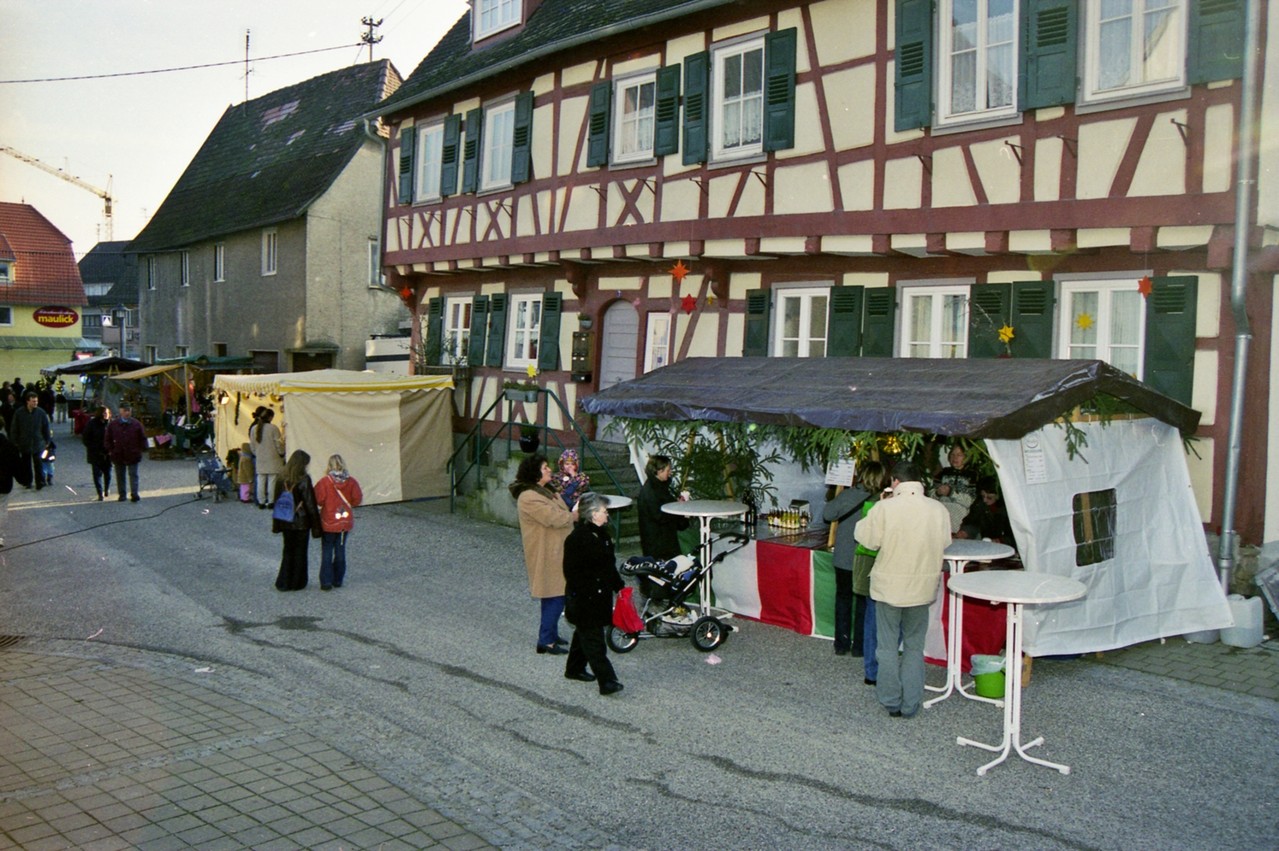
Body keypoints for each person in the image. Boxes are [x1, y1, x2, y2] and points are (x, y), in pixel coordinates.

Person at [854, 460, 952, 719]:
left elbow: (867, 540)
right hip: (922, 588)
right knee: (913, 647)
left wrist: (878, 506)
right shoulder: (938, 509)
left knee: (886, 647)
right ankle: (911, 704)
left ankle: (890, 700)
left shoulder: (884, 508)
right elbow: (945, 542)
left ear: (894, 481)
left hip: (889, 587)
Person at [509, 452, 576, 655]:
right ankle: (545, 641)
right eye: (545, 467)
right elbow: (553, 518)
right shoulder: (529, 497)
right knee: (555, 596)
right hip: (547, 553)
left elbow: (561, 509)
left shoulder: (546, 490)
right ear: (535, 472)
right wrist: (575, 516)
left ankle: (551, 635)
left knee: (554, 595)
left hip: (556, 550)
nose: (549, 470)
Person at [562, 492, 626, 696]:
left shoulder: (602, 535)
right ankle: (607, 681)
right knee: (594, 640)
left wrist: (619, 586)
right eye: (604, 511)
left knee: (584, 634)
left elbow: (608, 565)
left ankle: (574, 668)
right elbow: (571, 572)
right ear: (592, 514)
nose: (607, 515)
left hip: (598, 596)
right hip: (585, 598)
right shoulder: (577, 539)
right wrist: (588, 593)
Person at [821, 475, 871, 657]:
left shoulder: (848, 495)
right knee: (864, 602)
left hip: (844, 556)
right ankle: (860, 645)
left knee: (843, 598)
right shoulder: (883, 499)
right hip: (867, 557)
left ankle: (841, 643)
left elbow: (828, 514)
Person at [851, 462, 890, 686]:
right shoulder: (880, 504)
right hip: (881, 566)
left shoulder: (875, 504)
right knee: (878, 619)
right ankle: (876, 668)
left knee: (872, 618)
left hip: (869, 565)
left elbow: (864, 538)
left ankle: (872, 670)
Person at [313, 454, 364, 591]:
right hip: (344, 522)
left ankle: (326, 582)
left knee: (327, 551)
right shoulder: (352, 482)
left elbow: (318, 500)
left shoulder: (324, 482)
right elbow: (357, 499)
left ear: (329, 466)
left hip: (328, 521)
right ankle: (338, 580)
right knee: (340, 550)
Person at [272, 449, 319, 591]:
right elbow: (310, 504)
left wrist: (276, 524)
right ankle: (297, 582)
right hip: (300, 521)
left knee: (287, 550)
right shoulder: (304, 479)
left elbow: (276, 502)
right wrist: (317, 526)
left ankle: (284, 581)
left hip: (285, 519)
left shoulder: (280, 478)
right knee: (300, 552)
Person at [636, 454, 689, 560]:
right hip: (659, 542)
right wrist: (679, 510)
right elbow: (660, 516)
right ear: (659, 471)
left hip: (660, 538)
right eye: (668, 470)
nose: (670, 473)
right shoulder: (652, 491)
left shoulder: (656, 487)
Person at [104, 403, 148, 502]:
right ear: (120, 411)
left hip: (133, 453)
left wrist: (142, 449)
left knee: (133, 474)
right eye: (125, 410)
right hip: (118, 454)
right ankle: (122, 494)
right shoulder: (113, 425)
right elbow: (107, 439)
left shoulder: (136, 424)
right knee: (120, 476)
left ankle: (134, 494)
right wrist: (111, 450)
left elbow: (142, 438)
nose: (127, 413)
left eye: (129, 410)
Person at [10, 391, 53, 490]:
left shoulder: (40, 412)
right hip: (24, 443)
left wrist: (47, 440)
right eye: (33, 401)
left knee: (38, 464)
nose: (35, 403)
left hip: (38, 443)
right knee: (26, 465)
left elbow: (46, 427)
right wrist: (15, 441)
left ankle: (40, 482)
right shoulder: (19, 413)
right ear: (27, 401)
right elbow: (14, 428)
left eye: (36, 401)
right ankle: (27, 481)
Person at [932, 444, 978, 533]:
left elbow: (970, 501)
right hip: (940, 521)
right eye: (952, 454)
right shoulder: (942, 473)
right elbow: (931, 497)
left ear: (967, 457)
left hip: (960, 523)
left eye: (959, 455)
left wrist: (951, 493)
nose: (955, 458)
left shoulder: (972, 475)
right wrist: (937, 492)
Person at [957, 476, 1015, 545]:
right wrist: (965, 531)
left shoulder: (1009, 509)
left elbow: (1016, 535)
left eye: (989, 497)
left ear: (998, 496)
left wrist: (1000, 540)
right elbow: (972, 521)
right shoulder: (980, 504)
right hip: (986, 542)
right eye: (983, 496)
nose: (985, 500)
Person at [0, 423, 30, 547]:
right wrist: (24, 479)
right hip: (3, 483)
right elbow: (17, 466)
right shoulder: (8, 446)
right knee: (1, 509)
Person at [249, 408, 285, 510]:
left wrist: (257, 453)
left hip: (260, 458)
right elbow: (278, 444)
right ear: (270, 417)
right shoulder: (273, 428)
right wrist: (282, 453)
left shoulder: (254, 429)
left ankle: (261, 501)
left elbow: (252, 445)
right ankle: (271, 502)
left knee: (261, 480)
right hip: (273, 458)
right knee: (272, 480)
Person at [82, 406, 113, 500]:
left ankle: (107, 489)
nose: (106, 415)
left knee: (108, 473)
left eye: (107, 413)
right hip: (95, 453)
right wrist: (93, 447)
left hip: (108, 454)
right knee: (97, 474)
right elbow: (85, 438)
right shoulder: (92, 423)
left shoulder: (111, 424)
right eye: (104, 413)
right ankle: (100, 493)